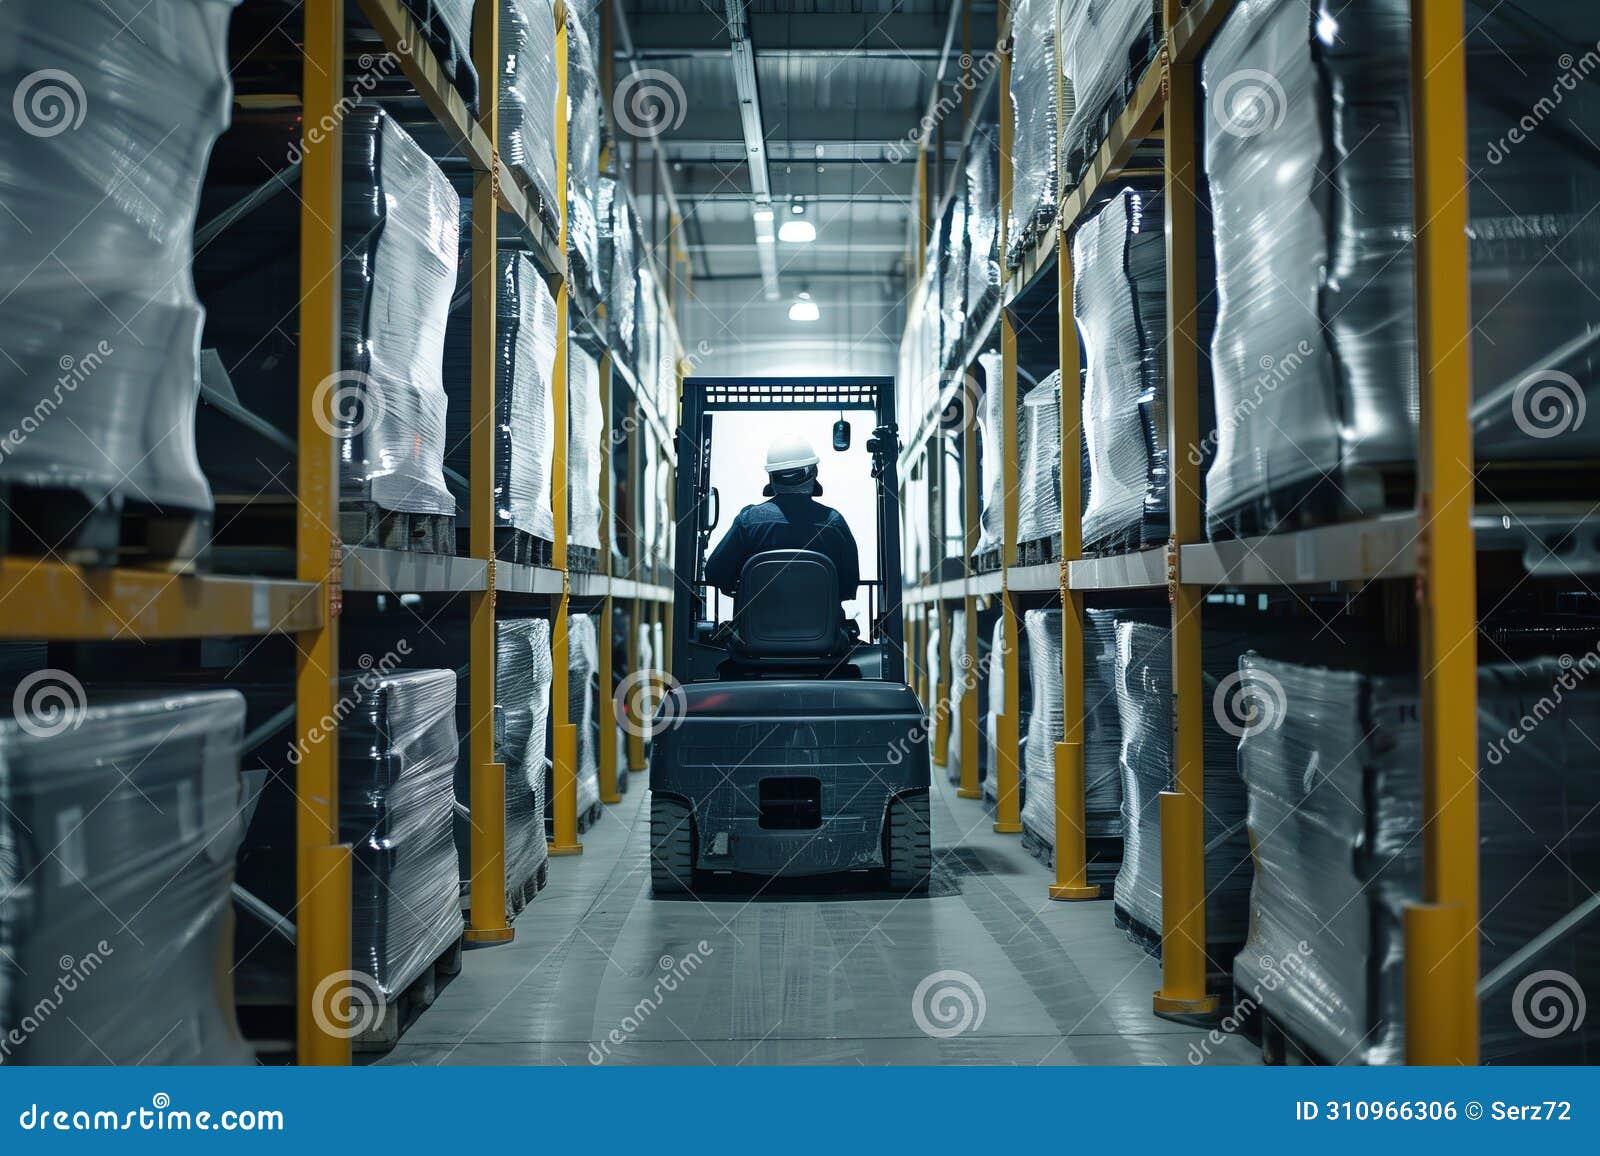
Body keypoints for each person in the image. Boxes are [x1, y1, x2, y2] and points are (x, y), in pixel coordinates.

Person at [703, 433, 860, 608]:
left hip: (755, 633)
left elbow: (715, 574)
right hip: (822, 633)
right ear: (814, 472)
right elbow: (848, 586)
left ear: (771, 478)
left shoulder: (748, 521)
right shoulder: (833, 523)